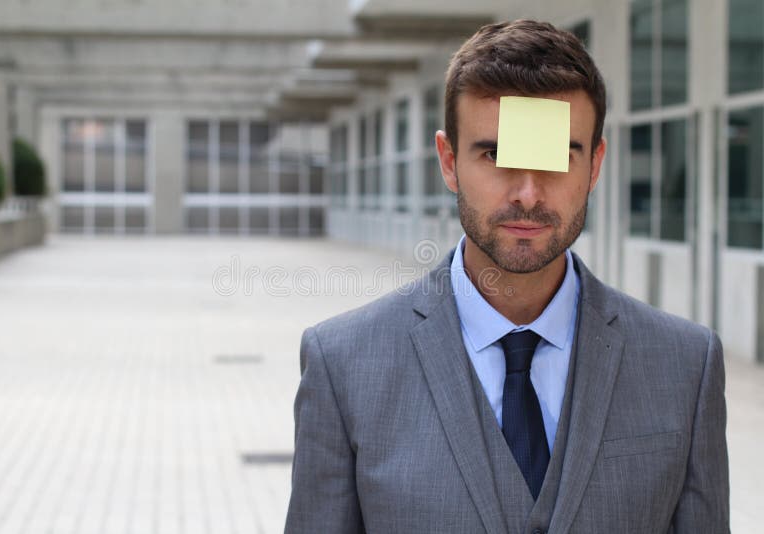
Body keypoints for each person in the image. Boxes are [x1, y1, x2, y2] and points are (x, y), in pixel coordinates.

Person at [285, 19, 729, 534]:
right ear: (449, 161)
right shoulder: (343, 365)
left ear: (596, 165)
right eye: (495, 154)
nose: (527, 194)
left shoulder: (685, 366)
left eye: (559, 155)